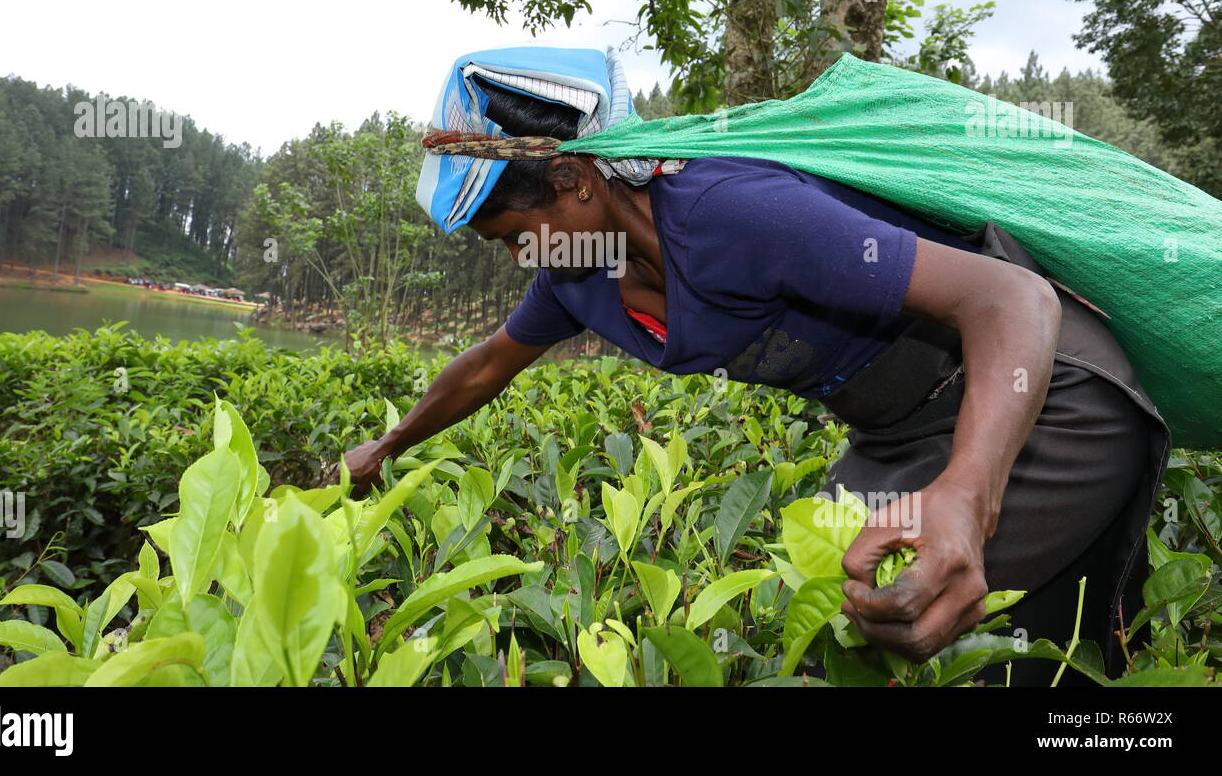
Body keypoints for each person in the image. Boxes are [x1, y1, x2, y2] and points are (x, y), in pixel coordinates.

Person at [332, 45, 1170, 687]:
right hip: (898, 436)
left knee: (930, 639)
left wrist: (964, 495)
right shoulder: (581, 276)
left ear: (571, 179)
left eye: (515, 236)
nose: (516, 258)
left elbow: (1014, 302)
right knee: (833, 628)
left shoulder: (734, 210)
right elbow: (485, 367)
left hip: (1043, 403)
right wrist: (387, 446)